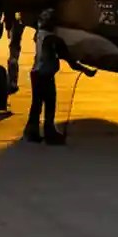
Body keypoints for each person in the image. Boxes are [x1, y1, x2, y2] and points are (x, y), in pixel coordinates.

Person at [24, 9, 96, 145]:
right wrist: (86, 70)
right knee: (50, 104)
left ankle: (31, 132)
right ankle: (49, 133)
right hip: (45, 75)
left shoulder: (39, 34)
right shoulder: (54, 39)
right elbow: (70, 61)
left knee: (36, 105)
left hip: (36, 73)